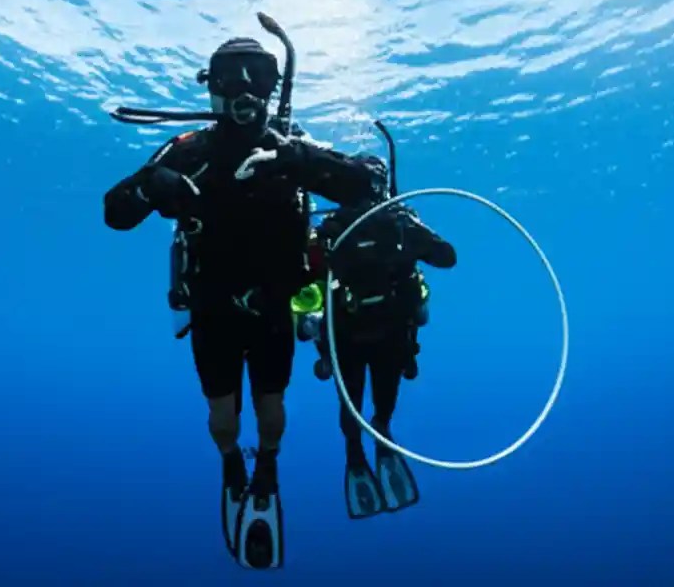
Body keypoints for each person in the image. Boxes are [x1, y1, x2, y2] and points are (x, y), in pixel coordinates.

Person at [102, 32, 378, 570]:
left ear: (275, 87)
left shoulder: (291, 144)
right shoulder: (189, 151)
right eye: (231, 77)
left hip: (273, 310)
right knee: (223, 418)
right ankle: (232, 463)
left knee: (271, 412)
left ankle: (267, 466)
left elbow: (363, 185)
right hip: (213, 311)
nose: (246, 90)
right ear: (212, 88)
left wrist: (298, 159)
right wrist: (151, 184)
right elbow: (115, 212)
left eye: (259, 75)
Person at [301, 153, 456, 519]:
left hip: (352, 337)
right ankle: (375, 439)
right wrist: (413, 228)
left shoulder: (334, 230)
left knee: (352, 404)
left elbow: (303, 280)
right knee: (378, 400)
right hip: (384, 335)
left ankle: (358, 450)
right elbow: (447, 257)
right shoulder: (393, 224)